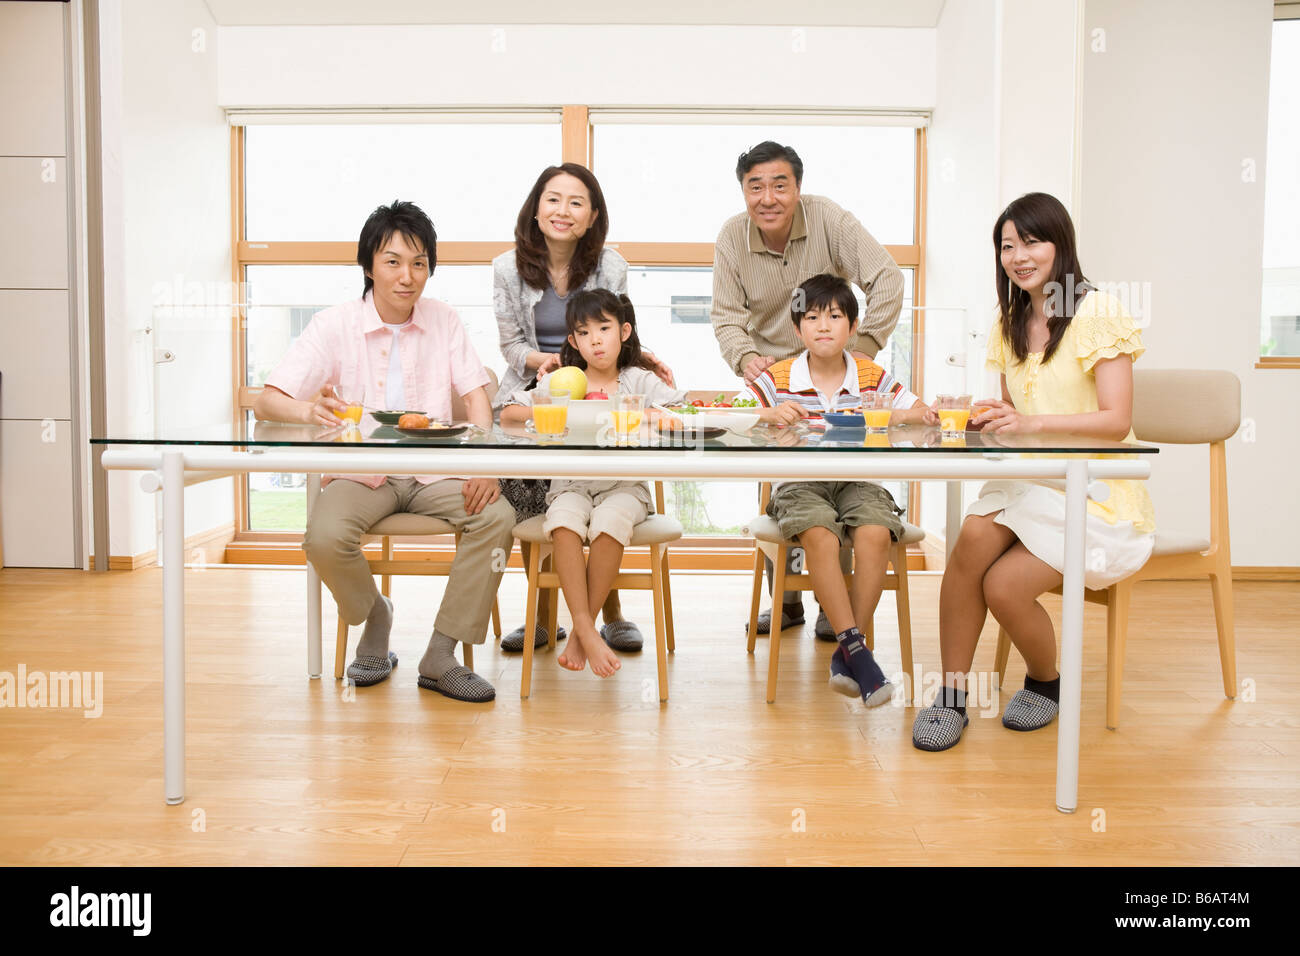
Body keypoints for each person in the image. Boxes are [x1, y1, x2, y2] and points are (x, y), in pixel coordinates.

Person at [912, 192, 1155, 752]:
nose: (1018, 255)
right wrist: (991, 419)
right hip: (1035, 477)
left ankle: (1046, 682)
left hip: (1099, 489)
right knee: (971, 539)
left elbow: (1116, 421)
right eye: (1006, 245)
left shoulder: (1099, 311)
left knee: (1003, 584)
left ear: (1059, 244)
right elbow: (1017, 417)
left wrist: (1028, 422)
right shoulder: (1012, 320)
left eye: (1030, 241)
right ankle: (951, 695)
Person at [253, 200, 514, 703]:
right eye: (393, 261)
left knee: (496, 518)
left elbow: (478, 396)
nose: (407, 276)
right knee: (324, 538)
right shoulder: (334, 324)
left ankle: (441, 655)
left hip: (435, 470)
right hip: (361, 471)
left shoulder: (444, 319)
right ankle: (376, 615)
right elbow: (269, 399)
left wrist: (485, 465)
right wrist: (309, 412)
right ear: (369, 265)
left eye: (419, 263)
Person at [710, 140, 906, 639]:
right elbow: (727, 318)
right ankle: (788, 601)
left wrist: (858, 349)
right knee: (789, 484)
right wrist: (748, 360)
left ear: (798, 188)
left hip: (832, 364)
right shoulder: (732, 237)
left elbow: (887, 278)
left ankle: (830, 607)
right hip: (775, 373)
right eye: (756, 187)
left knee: (845, 480)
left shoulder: (830, 220)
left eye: (780, 184)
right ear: (743, 192)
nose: (768, 197)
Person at [493, 164, 673, 654]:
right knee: (547, 501)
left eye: (577, 202)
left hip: (597, 379)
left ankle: (601, 615)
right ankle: (543, 615)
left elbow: (615, 325)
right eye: (553, 200)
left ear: (592, 216)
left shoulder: (610, 265)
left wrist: (642, 360)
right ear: (536, 208)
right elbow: (509, 344)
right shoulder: (506, 268)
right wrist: (545, 364)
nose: (563, 211)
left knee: (605, 482)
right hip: (542, 387)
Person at [745, 273, 935, 705]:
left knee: (874, 532)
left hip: (859, 480)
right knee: (820, 533)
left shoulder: (870, 375)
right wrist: (770, 414)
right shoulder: (777, 376)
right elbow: (737, 416)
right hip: (799, 483)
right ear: (797, 329)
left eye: (834, 316)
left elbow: (920, 412)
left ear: (852, 326)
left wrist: (898, 415)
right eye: (812, 317)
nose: (824, 325)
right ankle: (858, 654)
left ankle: (850, 647)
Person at [500, 289, 688, 676]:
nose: (596, 340)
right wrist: (550, 406)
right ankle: (586, 627)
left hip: (625, 486)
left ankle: (577, 637)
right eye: (584, 333)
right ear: (573, 342)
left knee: (609, 523)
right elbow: (508, 415)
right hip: (570, 483)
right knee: (564, 523)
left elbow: (682, 412)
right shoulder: (567, 382)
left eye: (604, 328)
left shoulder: (638, 380)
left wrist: (649, 414)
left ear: (624, 331)